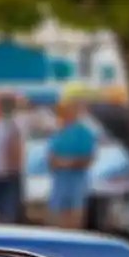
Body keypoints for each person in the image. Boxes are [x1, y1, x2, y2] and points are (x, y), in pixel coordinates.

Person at [47, 98, 98, 228]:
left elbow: (88, 159)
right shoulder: (58, 132)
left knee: (74, 216)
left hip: (76, 182)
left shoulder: (84, 133)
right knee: (56, 216)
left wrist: (67, 163)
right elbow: (51, 158)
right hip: (59, 182)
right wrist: (59, 163)